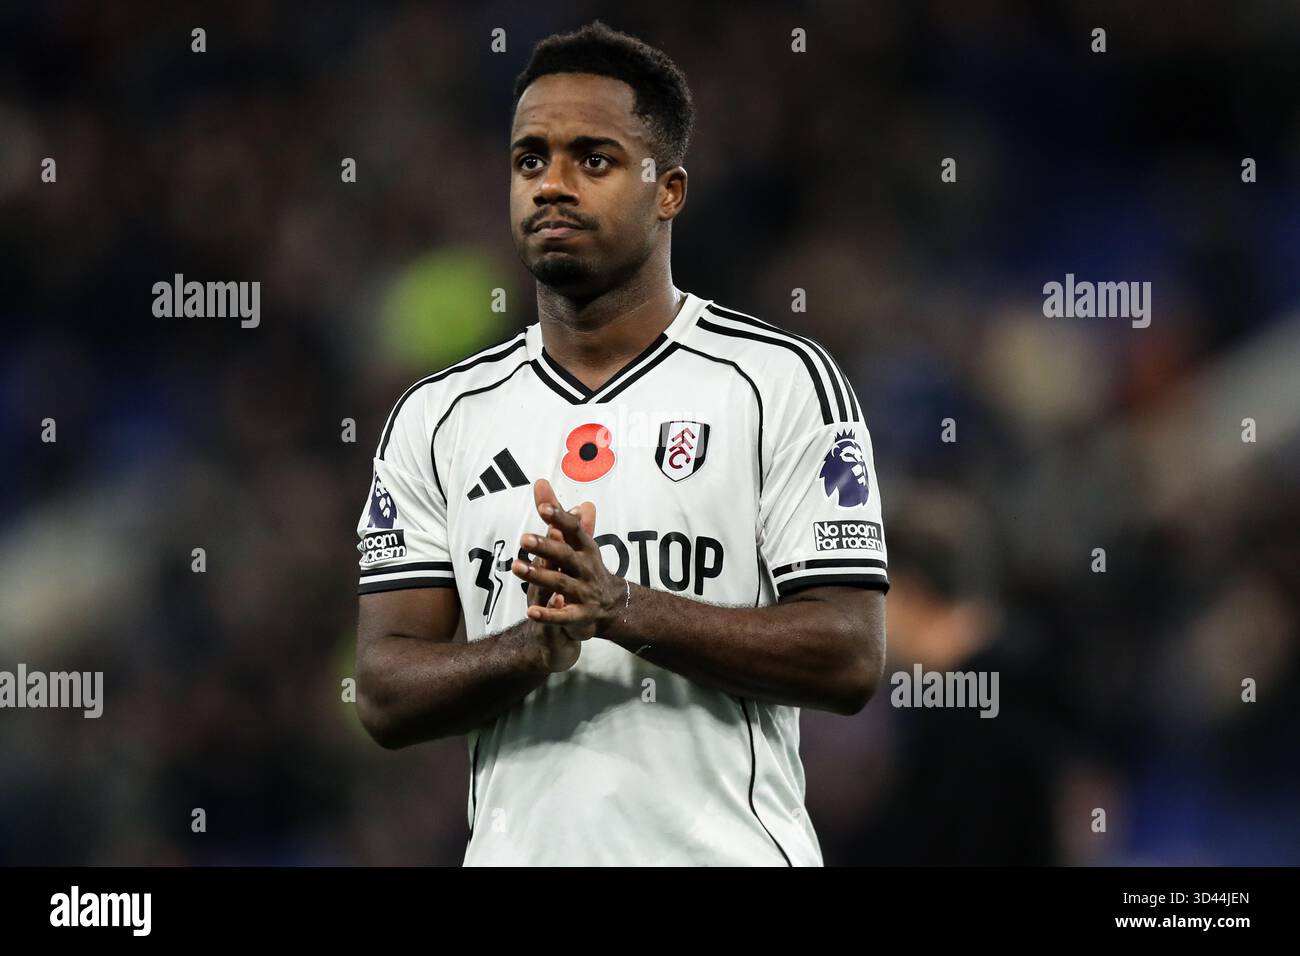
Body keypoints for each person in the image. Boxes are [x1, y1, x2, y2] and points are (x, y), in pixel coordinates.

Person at [353, 20, 889, 866]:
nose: (552, 185)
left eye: (592, 160)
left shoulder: (778, 383)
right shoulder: (438, 417)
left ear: (668, 189)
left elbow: (851, 655)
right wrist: (532, 647)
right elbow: (384, 692)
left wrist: (622, 609)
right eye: (530, 160)